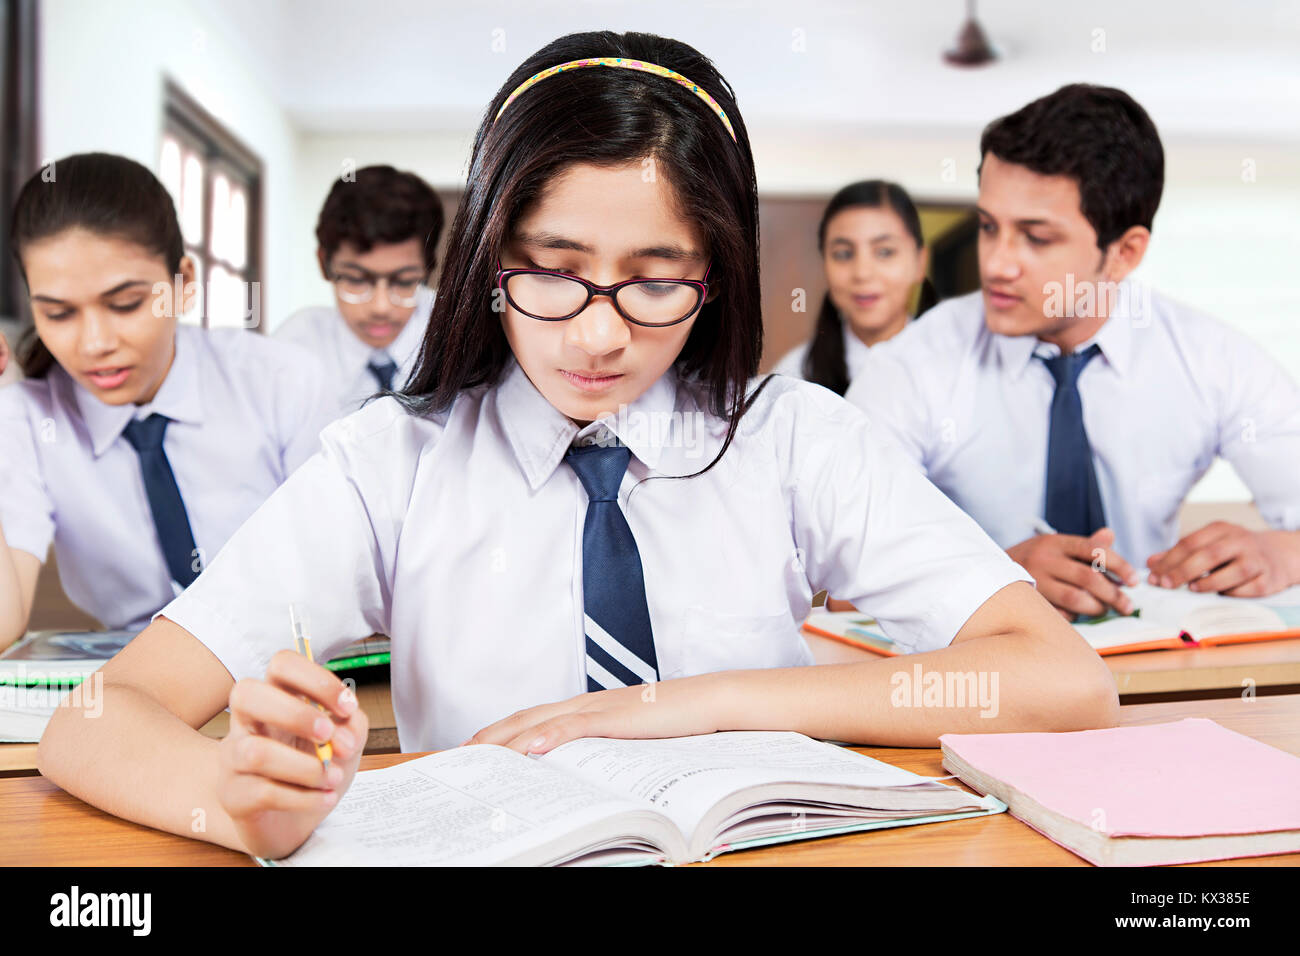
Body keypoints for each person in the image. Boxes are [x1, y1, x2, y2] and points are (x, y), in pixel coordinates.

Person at [39, 34, 1116, 861]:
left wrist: (684, 703)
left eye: (656, 278)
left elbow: (1058, 679)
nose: (599, 333)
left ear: (719, 271)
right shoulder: (392, 462)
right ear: (488, 260)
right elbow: (96, 718)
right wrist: (234, 797)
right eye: (552, 269)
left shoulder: (794, 436)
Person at [845, 85, 1300, 620]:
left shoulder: (1212, 359)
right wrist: (993, 577)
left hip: (1161, 670)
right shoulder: (910, 367)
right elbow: (840, 577)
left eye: (1035, 237)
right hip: (979, 679)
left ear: (1124, 252)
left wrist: (1284, 552)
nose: (996, 264)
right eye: (989, 227)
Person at [0, 153, 333, 648]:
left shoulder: (279, 381)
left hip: (288, 660)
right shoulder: (27, 419)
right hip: (135, 677)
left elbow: (334, 574)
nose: (94, 343)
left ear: (184, 283)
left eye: (125, 304)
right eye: (59, 313)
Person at [275, 166, 443, 418]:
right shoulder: (292, 349)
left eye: (405, 281)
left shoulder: (458, 341)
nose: (381, 307)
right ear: (324, 263)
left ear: (428, 267)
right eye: (356, 279)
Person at [772, 180, 935, 394]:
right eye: (843, 254)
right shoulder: (793, 377)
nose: (862, 273)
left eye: (884, 252)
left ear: (920, 263)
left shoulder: (954, 366)